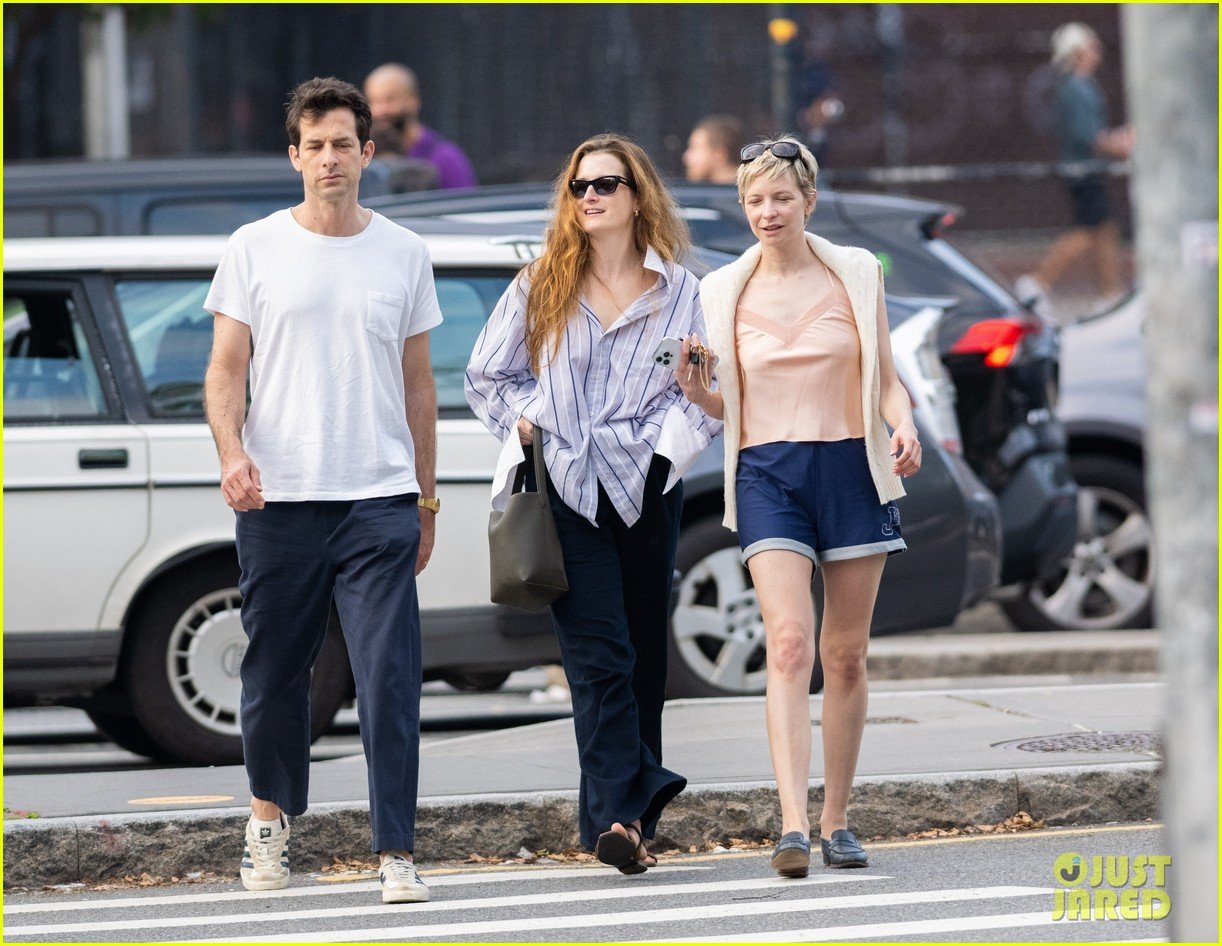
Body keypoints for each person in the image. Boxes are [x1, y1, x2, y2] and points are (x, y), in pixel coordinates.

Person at [203, 76, 442, 905]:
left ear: (368, 153)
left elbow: (419, 387)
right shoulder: (255, 246)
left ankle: (397, 851)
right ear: (294, 156)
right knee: (274, 672)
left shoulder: (405, 253)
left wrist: (426, 497)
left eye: (346, 143)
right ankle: (269, 823)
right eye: (316, 145)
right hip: (280, 501)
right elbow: (225, 371)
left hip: (377, 497)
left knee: (387, 676)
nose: (331, 158)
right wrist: (232, 452)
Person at [466, 133, 722, 874]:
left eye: (606, 184)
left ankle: (627, 828)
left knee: (642, 656)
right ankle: (619, 809)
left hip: (650, 486)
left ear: (638, 196)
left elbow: (705, 397)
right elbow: (486, 376)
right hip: (567, 487)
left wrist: (669, 449)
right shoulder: (541, 282)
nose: (589, 197)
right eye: (579, 186)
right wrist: (528, 422)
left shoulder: (682, 293)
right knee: (599, 654)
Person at [674, 136, 920, 878]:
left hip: (850, 466)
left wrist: (901, 423)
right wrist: (697, 394)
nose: (767, 212)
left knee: (843, 654)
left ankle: (837, 821)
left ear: (808, 201)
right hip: (765, 474)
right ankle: (789, 824)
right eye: (754, 200)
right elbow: (727, 405)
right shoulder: (721, 290)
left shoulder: (853, 274)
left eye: (781, 197)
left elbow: (886, 379)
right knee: (787, 644)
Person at [1016, 22, 1134, 311]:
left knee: (1104, 230)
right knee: (1086, 232)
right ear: (1078, 51)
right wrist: (1120, 143)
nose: (1098, 52)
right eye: (1092, 47)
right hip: (1082, 171)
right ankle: (1038, 281)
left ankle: (1110, 293)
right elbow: (1092, 137)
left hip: (1088, 169)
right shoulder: (1075, 88)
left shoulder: (1082, 86)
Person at [363, 63, 477, 190]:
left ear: (414, 101)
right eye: (374, 101)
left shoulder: (445, 159)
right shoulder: (365, 159)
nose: (381, 110)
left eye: (390, 99)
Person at [683, 114, 744, 184]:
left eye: (694, 148)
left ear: (719, 154)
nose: (686, 158)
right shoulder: (749, 191)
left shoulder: (748, 193)